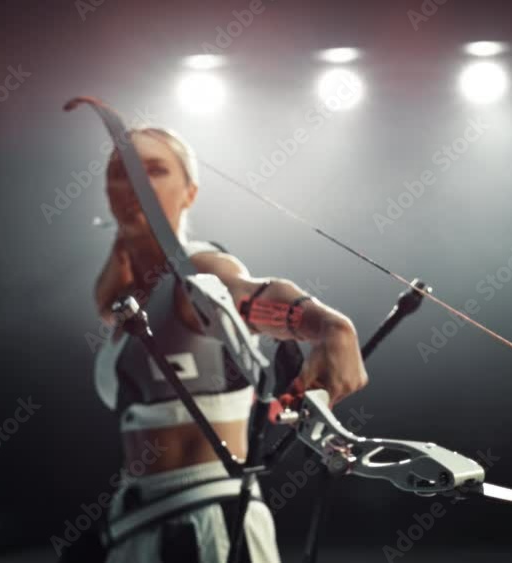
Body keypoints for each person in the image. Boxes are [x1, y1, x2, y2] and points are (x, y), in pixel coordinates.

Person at [90, 127, 369, 563]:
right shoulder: (130, 298)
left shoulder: (196, 268)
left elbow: (244, 293)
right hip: (134, 523)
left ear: (190, 192)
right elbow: (107, 302)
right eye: (120, 172)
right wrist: (126, 245)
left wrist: (329, 327)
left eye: (155, 170)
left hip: (211, 526)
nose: (135, 185)